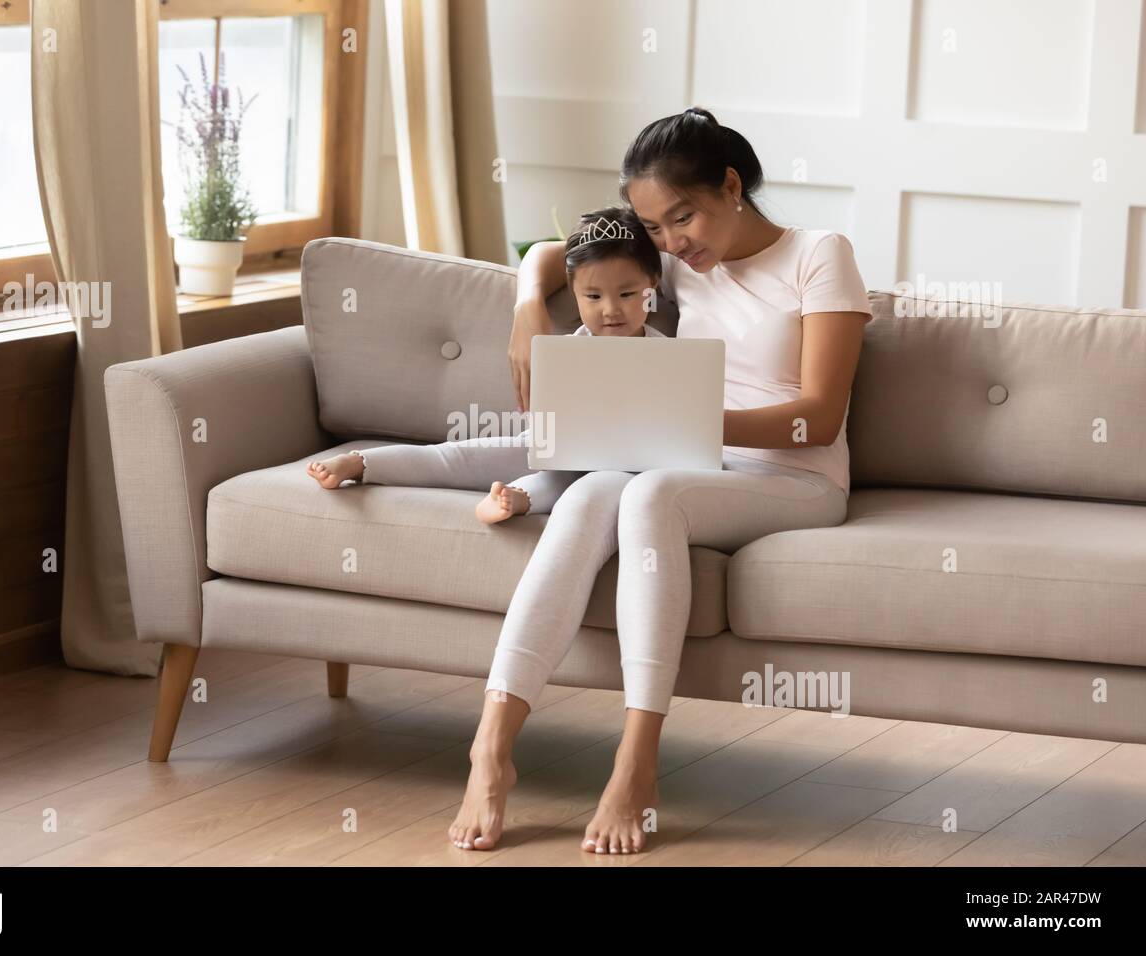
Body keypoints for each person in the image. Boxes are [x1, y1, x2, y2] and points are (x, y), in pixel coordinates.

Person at [447, 107, 874, 855]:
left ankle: (635, 764)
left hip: (794, 477)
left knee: (645, 490)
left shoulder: (819, 255)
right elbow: (554, 254)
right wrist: (523, 308)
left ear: (732, 185)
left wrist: (686, 423)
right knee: (586, 494)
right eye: (657, 229)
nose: (674, 243)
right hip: (692, 463)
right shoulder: (677, 261)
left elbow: (820, 418)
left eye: (685, 217)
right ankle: (490, 748)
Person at [305, 206, 669, 524]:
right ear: (575, 292)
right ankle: (363, 464)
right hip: (557, 450)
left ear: (652, 285)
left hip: (626, 469)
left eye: (627, 294)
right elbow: (540, 420)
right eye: (593, 296)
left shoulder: (667, 353)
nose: (610, 309)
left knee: (574, 485)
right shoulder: (569, 351)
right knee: (461, 455)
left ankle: (513, 501)